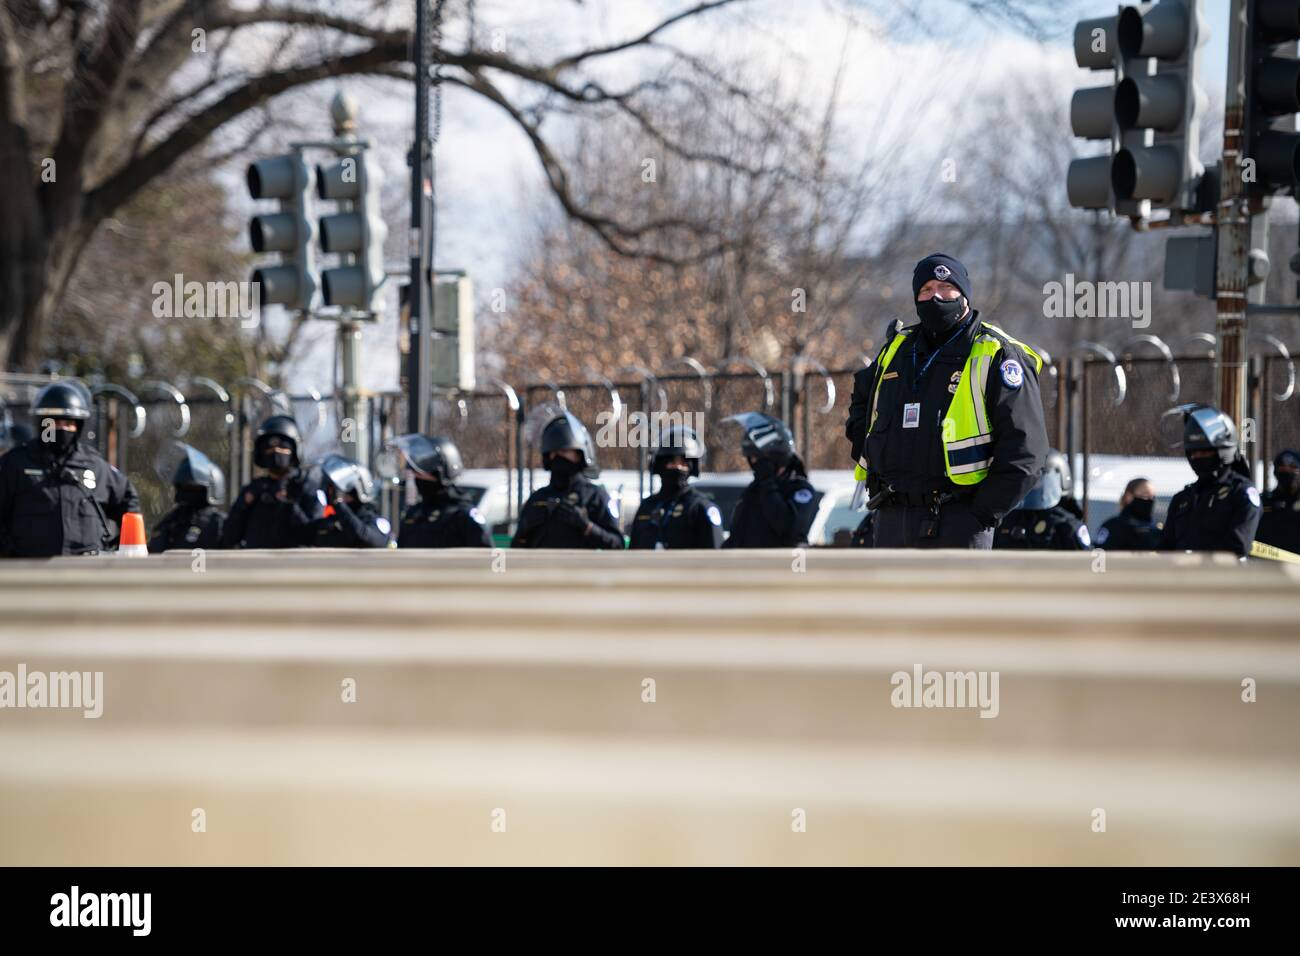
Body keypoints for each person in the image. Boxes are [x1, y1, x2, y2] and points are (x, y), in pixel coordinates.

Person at [846, 253, 1048, 548]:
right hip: (891, 520)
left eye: (945, 287)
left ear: (964, 294)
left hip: (958, 522)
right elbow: (862, 402)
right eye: (926, 290)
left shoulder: (996, 353)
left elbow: (1026, 450)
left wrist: (980, 514)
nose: (936, 297)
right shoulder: (898, 348)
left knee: (953, 597)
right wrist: (873, 457)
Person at [0, 381, 141, 557]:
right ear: (42, 423)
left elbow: (129, 503)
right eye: (54, 423)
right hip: (30, 573)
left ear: (78, 425)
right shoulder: (15, 464)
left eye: (68, 423)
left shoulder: (95, 466)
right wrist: (9, 552)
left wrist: (117, 548)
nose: (61, 429)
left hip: (87, 573)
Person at [512, 411, 624, 549]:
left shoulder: (595, 497)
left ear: (579, 455)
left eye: (564, 452)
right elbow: (516, 549)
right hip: (542, 569)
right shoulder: (537, 499)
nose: (558, 457)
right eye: (554, 453)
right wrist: (525, 528)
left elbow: (617, 544)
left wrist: (587, 526)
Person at [1160, 404, 1261, 557]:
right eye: (1194, 453)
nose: (1198, 457)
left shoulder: (1240, 494)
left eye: (1205, 451)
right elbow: (1164, 549)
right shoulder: (1182, 500)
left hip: (1221, 579)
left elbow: (1238, 546)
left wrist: (1193, 558)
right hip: (1181, 579)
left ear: (1222, 450)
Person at [221, 413, 320, 549]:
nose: (275, 452)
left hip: (296, 564)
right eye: (269, 449)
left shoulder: (306, 486)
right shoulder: (254, 489)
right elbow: (229, 537)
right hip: (256, 564)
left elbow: (314, 534)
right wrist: (243, 505)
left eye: (283, 448)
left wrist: (289, 504)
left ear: (295, 450)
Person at [722, 412, 819, 548]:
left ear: (776, 456)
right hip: (749, 565)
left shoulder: (800, 490)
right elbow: (738, 534)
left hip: (781, 565)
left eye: (758, 458)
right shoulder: (754, 490)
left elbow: (788, 527)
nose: (755, 464)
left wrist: (768, 484)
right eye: (751, 459)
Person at [629, 425, 723, 550]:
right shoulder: (647, 506)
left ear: (692, 467)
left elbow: (715, 557)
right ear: (660, 465)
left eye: (683, 463)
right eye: (671, 462)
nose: (677, 468)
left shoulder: (701, 508)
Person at [392, 434, 491, 548]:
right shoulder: (413, 515)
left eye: (423, 473)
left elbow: (486, 558)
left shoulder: (463, 516)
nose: (417, 478)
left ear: (440, 474)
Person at [994, 449, 1090, 550]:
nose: (1029, 486)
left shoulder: (1065, 526)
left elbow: (1084, 561)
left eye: (1037, 480)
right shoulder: (1004, 520)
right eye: (1025, 480)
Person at [148, 444, 227, 552]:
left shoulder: (219, 523)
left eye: (194, 488)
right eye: (184, 486)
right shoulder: (172, 521)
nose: (187, 492)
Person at [305, 454, 390, 548]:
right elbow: (297, 535)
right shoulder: (331, 522)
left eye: (345, 493)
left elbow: (366, 540)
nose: (340, 497)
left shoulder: (377, 522)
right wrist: (291, 503)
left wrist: (339, 504)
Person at [1095, 477, 1161, 550]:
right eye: (1145, 495)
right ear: (1129, 496)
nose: (1150, 500)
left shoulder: (1156, 528)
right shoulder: (1113, 527)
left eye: (1152, 497)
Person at [1256, 450, 1300, 554]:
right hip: (1266, 566)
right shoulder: (1263, 502)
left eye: (1293, 468)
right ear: (1275, 471)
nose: (1287, 471)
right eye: (1282, 468)